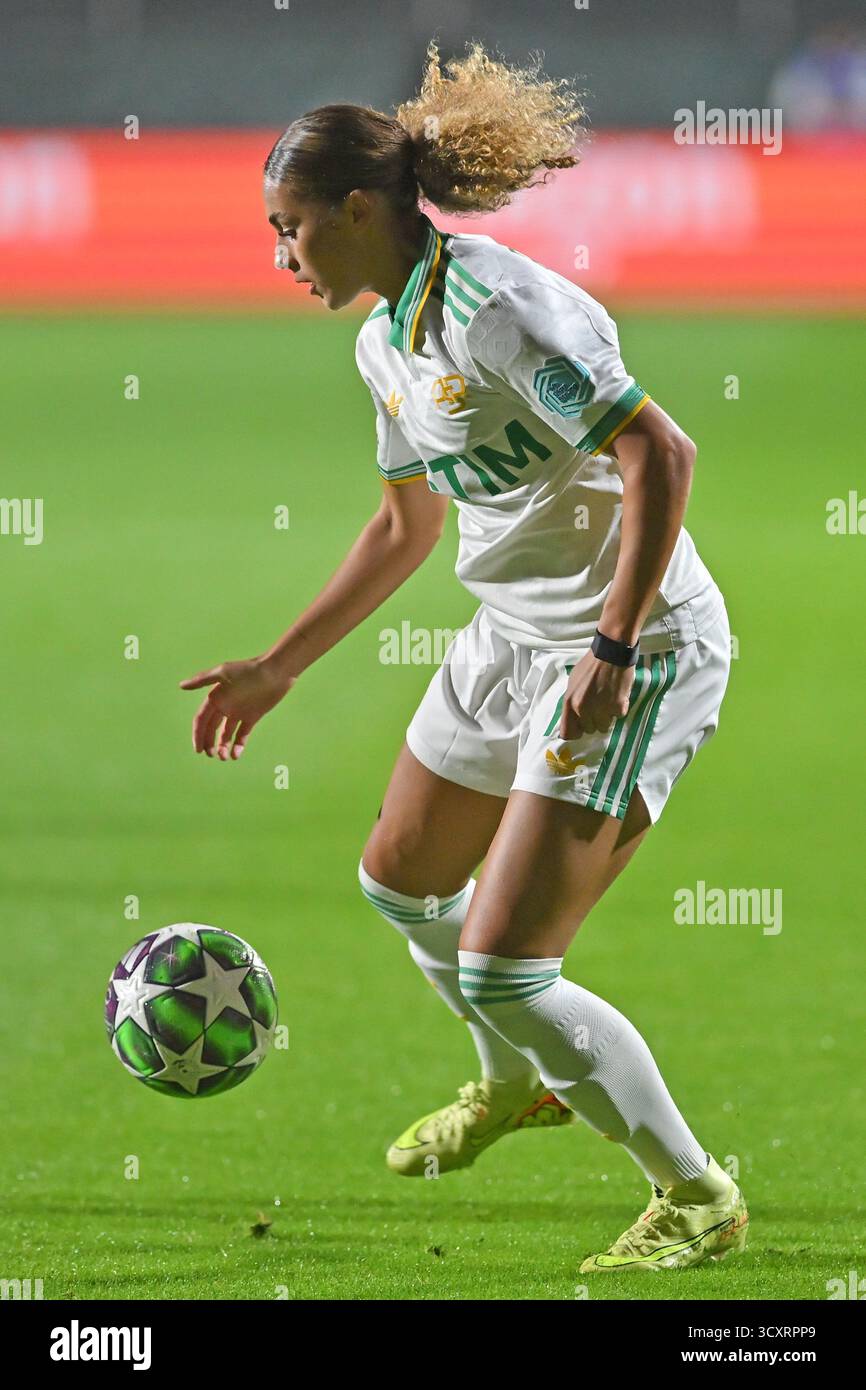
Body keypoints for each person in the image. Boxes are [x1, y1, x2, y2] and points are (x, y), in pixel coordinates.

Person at [181, 41, 748, 1273]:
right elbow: (407, 523)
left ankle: (694, 1192)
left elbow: (664, 454)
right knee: (399, 879)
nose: (281, 258)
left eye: (291, 230)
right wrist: (279, 666)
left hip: (631, 643)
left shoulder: (498, 310)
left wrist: (607, 644)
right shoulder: (386, 341)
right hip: (511, 637)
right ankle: (515, 1084)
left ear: (358, 209)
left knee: (502, 962)